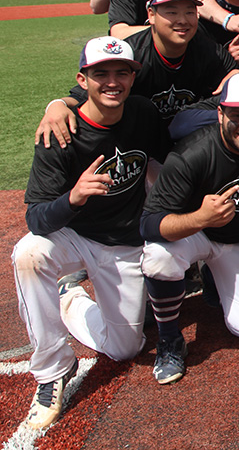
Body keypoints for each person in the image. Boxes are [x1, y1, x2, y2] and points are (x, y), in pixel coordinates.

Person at [14, 37, 169, 429]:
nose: (112, 81)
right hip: (74, 234)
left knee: (125, 349)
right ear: (82, 79)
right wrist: (74, 197)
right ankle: (51, 371)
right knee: (28, 254)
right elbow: (37, 219)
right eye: (101, 74)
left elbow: (159, 160)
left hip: (124, 243)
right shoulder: (60, 132)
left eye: (122, 72)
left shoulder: (142, 113)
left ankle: (70, 300)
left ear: (134, 78)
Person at [139, 72, 239, 384]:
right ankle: (169, 340)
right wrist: (200, 219)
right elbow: (150, 224)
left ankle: (213, 276)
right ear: (220, 113)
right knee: (158, 255)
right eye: (237, 115)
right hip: (196, 234)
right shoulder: (191, 154)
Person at [37, 0, 237, 146]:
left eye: (189, 11)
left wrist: (235, 77)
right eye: (172, 11)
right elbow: (85, 94)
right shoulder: (132, 53)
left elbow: (234, 72)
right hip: (137, 140)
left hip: (182, 137)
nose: (182, 20)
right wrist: (57, 105)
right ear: (151, 14)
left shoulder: (204, 46)